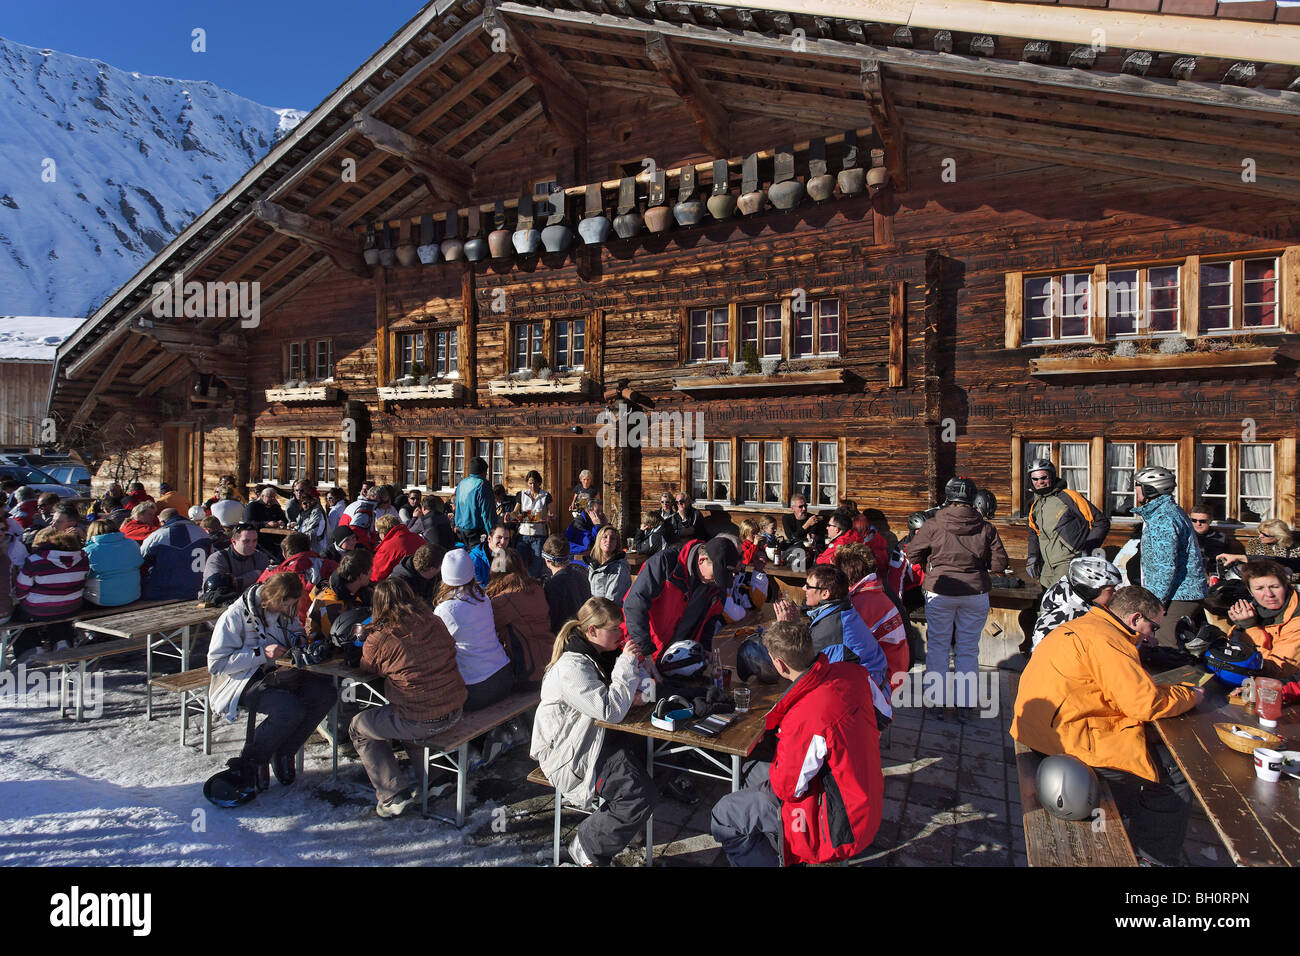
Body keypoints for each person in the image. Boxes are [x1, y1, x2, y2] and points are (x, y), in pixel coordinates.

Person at [1011, 586, 1200, 867]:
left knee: (1146, 745)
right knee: (1175, 772)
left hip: (1036, 729)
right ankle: (1153, 857)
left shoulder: (1082, 625)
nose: (1153, 636)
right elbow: (1144, 705)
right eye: (1152, 626)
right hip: (1067, 743)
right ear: (1135, 618)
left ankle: (1128, 816)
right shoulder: (1110, 641)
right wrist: (1191, 694)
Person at [710, 620, 884, 867]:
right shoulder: (853, 673)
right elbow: (884, 715)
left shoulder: (805, 716)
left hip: (836, 819)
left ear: (778, 664)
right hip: (863, 790)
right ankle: (777, 845)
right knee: (751, 770)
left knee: (725, 815)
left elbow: (787, 789)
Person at [530, 596, 657, 867]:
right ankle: (586, 846)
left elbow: (623, 696)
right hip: (568, 756)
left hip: (592, 740)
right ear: (592, 631)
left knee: (656, 760)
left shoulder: (598, 655)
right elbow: (609, 710)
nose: (621, 633)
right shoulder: (572, 667)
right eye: (615, 629)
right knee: (638, 791)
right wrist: (625, 667)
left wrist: (636, 685)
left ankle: (616, 825)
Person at [207, 572, 336, 797]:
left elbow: (295, 630)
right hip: (241, 680)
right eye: (289, 604)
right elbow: (217, 664)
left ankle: (285, 751)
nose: (291, 609)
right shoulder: (235, 616)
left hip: (280, 673)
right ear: (276, 597)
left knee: (324, 693)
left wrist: (299, 643)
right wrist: (260, 654)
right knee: (288, 709)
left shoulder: (285, 609)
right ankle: (254, 759)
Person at [349, 577, 467, 818]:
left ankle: (392, 794)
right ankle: (435, 778)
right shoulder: (435, 621)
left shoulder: (381, 638)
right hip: (454, 709)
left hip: (421, 718)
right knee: (405, 712)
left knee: (359, 726)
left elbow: (366, 668)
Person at [906, 477, 1009, 718]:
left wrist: (931, 562)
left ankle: (935, 702)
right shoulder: (985, 527)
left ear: (948, 496)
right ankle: (964, 705)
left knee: (938, 647)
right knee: (967, 649)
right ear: (972, 498)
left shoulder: (933, 524)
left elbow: (912, 553)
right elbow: (1000, 563)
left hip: (940, 590)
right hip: (974, 592)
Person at [623, 536, 738, 675]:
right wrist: (645, 652)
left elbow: (710, 619)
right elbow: (634, 604)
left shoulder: (716, 585)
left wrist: (704, 647)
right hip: (645, 650)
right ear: (701, 560)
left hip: (679, 659)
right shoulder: (666, 563)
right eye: (716, 575)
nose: (718, 581)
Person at [773, 564, 888, 692]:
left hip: (862, 699)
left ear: (825, 594)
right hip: (873, 688)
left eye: (808, 586)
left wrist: (785, 630)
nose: (803, 588)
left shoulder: (832, 629)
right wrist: (796, 625)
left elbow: (800, 671)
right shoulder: (844, 611)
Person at [1131, 465, 1206, 647]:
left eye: (1138, 485)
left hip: (1180, 593)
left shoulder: (1162, 519)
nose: (1135, 489)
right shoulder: (1166, 511)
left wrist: (1154, 603)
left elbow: (1165, 567)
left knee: (1165, 642)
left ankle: (1175, 676)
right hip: (1179, 592)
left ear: (1150, 489)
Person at [434, 549, 513, 710]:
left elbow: (435, 648)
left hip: (477, 687)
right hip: (504, 675)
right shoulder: (482, 597)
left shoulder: (446, 609)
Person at [1024, 458, 1110, 590]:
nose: (1040, 482)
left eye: (1044, 477)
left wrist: (1086, 550)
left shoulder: (1069, 497)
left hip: (1068, 561)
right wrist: (1033, 557)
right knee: (1046, 606)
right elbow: (1033, 534)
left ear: (1051, 476)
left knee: (1060, 603)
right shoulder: (1035, 506)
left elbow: (1101, 522)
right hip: (1047, 567)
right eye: (1035, 479)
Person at [834, 542, 909, 690]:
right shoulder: (874, 591)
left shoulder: (859, 602)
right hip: (896, 668)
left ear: (845, 574)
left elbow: (842, 642)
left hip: (884, 679)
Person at [12, 528, 89, 656]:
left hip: (39, 609)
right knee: (59, 607)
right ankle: (62, 640)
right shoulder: (82, 559)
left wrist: (27, 599)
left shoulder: (35, 560)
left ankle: (30, 647)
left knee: (18, 614)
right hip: (72, 606)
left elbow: (21, 589)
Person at [487, 547, 553, 689]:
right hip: (551, 663)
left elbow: (488, 632)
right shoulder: (537, 589)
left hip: (528, 673)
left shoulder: (500, 601)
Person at [1226, 559, 1300, 678]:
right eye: (1259, 589)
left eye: (1275, 587)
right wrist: (1239, 627)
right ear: (1250, 591)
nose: (1269, 594)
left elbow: (1277, 668)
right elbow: (1232, 647)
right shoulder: (1254, 609)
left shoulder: (1297, 618)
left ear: (1286, 586)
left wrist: (1249, 627)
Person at [1030, 555, 1122, 650]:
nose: (1114, 593)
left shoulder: (1068, 596)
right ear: (1091, 590)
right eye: (1111, 590)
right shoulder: (1072, 617)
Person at [256, 531, 338, 625]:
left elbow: (256, 596)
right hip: (326, 625)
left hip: (286, 627)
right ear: (309, 548)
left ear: (284, 554)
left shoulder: (275, 574)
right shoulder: (331, 566)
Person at [140, 508, 213, 600]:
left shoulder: (156, 537)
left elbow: (141, 560)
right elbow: (211, 558)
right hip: (197, 590)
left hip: (162, 593)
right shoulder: (202, 533)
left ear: (162, 521)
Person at [306, 550, 373, 640]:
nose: (371, 573)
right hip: (330, 648)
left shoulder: (328, 582)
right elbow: (338, 641)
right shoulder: (331, 606)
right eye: (369, 571)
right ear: (361, 576)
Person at [82, 519, 143, 607]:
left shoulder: (89, 550)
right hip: (133, 596)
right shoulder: (132, 543)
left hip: (102, 601)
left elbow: (82, 577)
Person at [201, 523, 272, 597]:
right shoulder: (217, 559)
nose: (251, 545)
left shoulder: (261, 557)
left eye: (254, 541)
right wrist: (254, 575)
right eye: (246, 541)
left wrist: (235, 582)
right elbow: (216, 588)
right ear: (233, 541)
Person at [542, 534, 591, 633]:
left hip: (563, 636)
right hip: (582, 633)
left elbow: (551, 620)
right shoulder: (582, 576)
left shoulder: (552, 586)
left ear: (547, 560)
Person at [511, 471, 551, 577]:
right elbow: (515, 512)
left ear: (539, 483)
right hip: (523, 533)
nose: (532, 486)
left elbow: (552, 513)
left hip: (538, 534)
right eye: (530, 483)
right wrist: (511, 515)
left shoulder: (545, 495)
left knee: (537, 562)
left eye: (535, 483)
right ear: (527, 483)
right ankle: (522, 584)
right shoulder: (522, 494)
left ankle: (534, 585)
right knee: (520, 561)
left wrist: (549, 517)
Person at [1188, 503, 1244, 575]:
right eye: (1194, 520)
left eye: (1203, 521)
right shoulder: (1185, 537)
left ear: (1210, 520)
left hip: (1212, 574)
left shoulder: (1220, 538)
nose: (1198, 524)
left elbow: (1224, 563)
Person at [370, 514, 427, 583]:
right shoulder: (417, 537)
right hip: (424, 582)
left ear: (382, 533)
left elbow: (376, 575)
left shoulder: (388, 547)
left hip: (401, 585)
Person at [585, 524, 631, 607]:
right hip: (593, 610)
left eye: (613, 538)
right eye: (605, 537)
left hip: (609, 614)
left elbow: (612, 601)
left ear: (616, 543)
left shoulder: (619, 568)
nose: (608, 540)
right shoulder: (593, 564)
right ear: (599, 540)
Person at [453, 457, 496, 546]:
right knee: (477, 558)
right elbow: (487, 513)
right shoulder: (482, 485)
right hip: (475, 532)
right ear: (484, 471)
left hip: (460, 531)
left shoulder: (462, 483)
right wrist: (492, 533)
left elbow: (457, 506)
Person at [289, 481, 328, 554]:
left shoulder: (316, 512)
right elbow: (302, 525)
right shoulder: (303, 513)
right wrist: (296, 526)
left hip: (316, 548)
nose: (308, 505)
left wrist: (299, 534)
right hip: (307, 546)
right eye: (305, 503)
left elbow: (314, 530)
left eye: (310, 502)